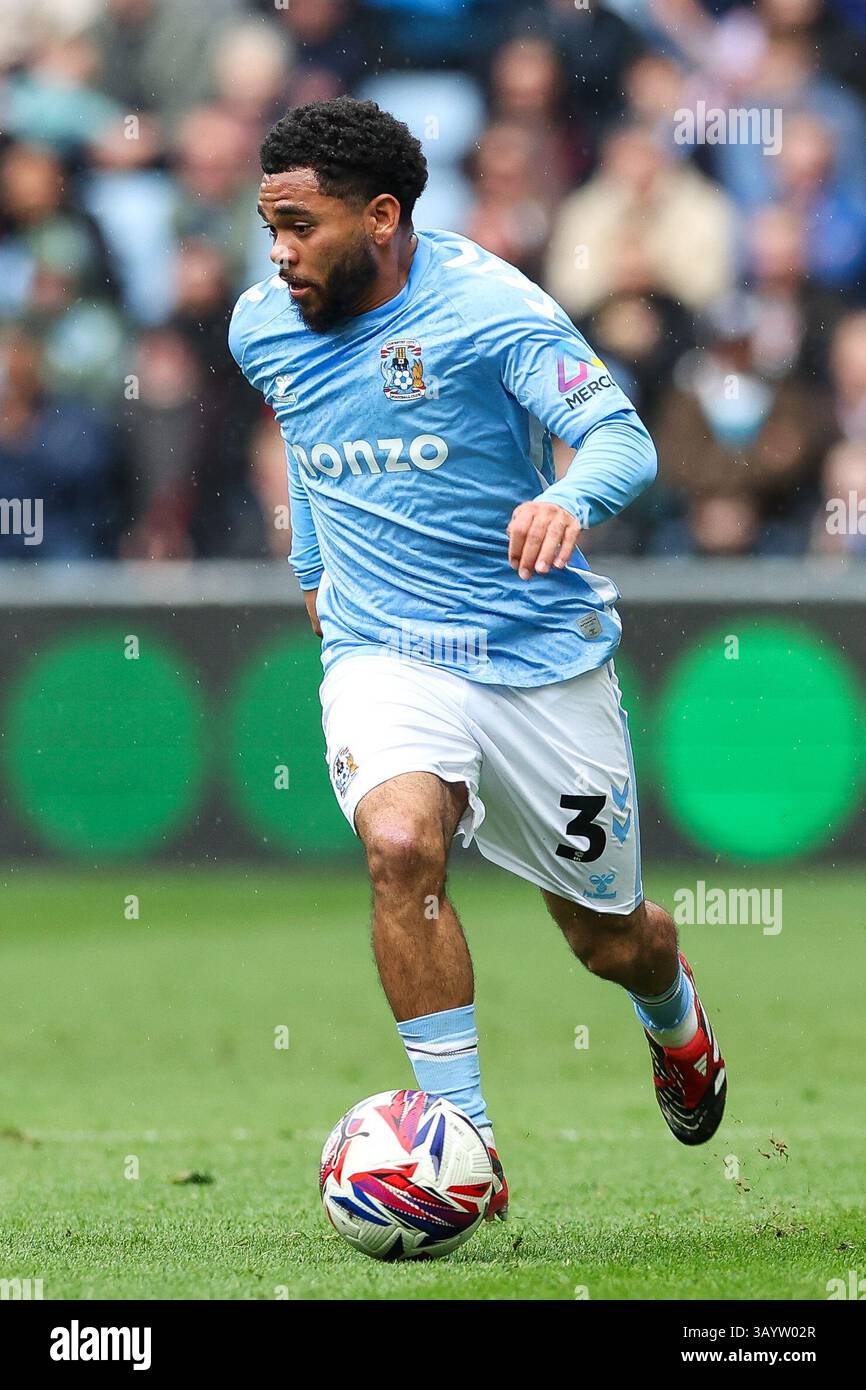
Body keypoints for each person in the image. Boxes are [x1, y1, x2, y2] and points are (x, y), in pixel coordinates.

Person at [228, 96, 727, 1220]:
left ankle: (674, 1021)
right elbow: (308, 443)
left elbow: (618, 436)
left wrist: (564, 494)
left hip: (535, 657)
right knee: (399, 843)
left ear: (384, 216)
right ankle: (471, 1153)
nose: (279, 252)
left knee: (607, 938)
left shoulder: (490, 310)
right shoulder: (262, 324)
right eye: (269, 224)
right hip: (381, 648)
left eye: (301, 225)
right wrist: (311, 568)